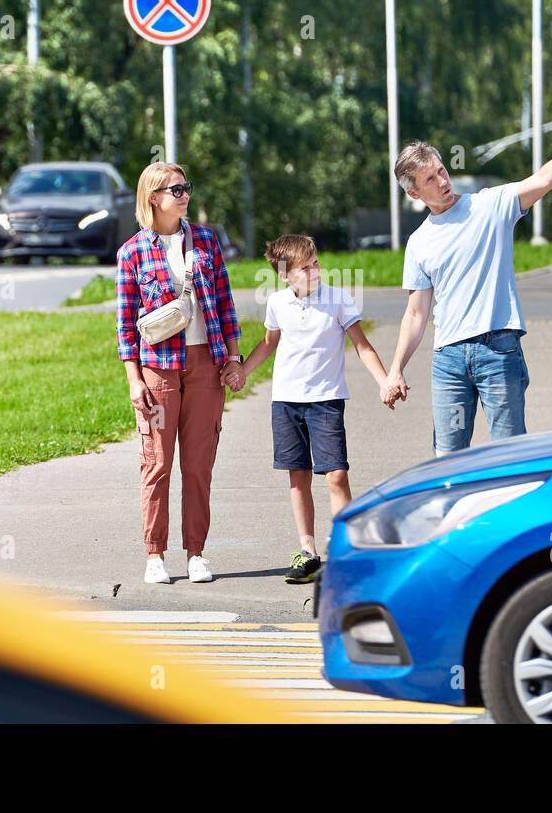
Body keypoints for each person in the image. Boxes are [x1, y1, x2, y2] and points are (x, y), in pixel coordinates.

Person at [382, 116, 552, 455]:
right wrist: (395, 369)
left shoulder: (489, 205)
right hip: (449, 361)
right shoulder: (418, 243)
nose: (442, 179)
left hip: (498, 351)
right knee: (448, 460)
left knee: (509, 455)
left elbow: (542, 179)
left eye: (441, 170)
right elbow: (415, 314)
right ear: (414, 192)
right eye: (430, 178)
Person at [116, 162, 246, 585]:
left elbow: (225, 304)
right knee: (157, 462)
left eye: (186, 187)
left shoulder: (206, 241)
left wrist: (233, 357)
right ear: (153, 197)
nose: (184, 194)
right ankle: (155, 554)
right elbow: (124, 325)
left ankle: (196, 553)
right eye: (176, 189)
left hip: (206, 365)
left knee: (198, 464)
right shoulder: (132, 252)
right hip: (158, 370)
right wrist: (134, 379)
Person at [241, 235, 391, 583]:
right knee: (299, 476)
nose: (314, 271)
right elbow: (268, 345)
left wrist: (384, 380)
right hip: (287, 401)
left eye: (316, 263)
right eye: (304, 268)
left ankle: (344, 550)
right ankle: (307, 551)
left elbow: (362, 345)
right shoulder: (277, 303)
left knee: (336, 474)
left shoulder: (338, 299)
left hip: (326, 400)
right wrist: (242, 371)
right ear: (284, 275)